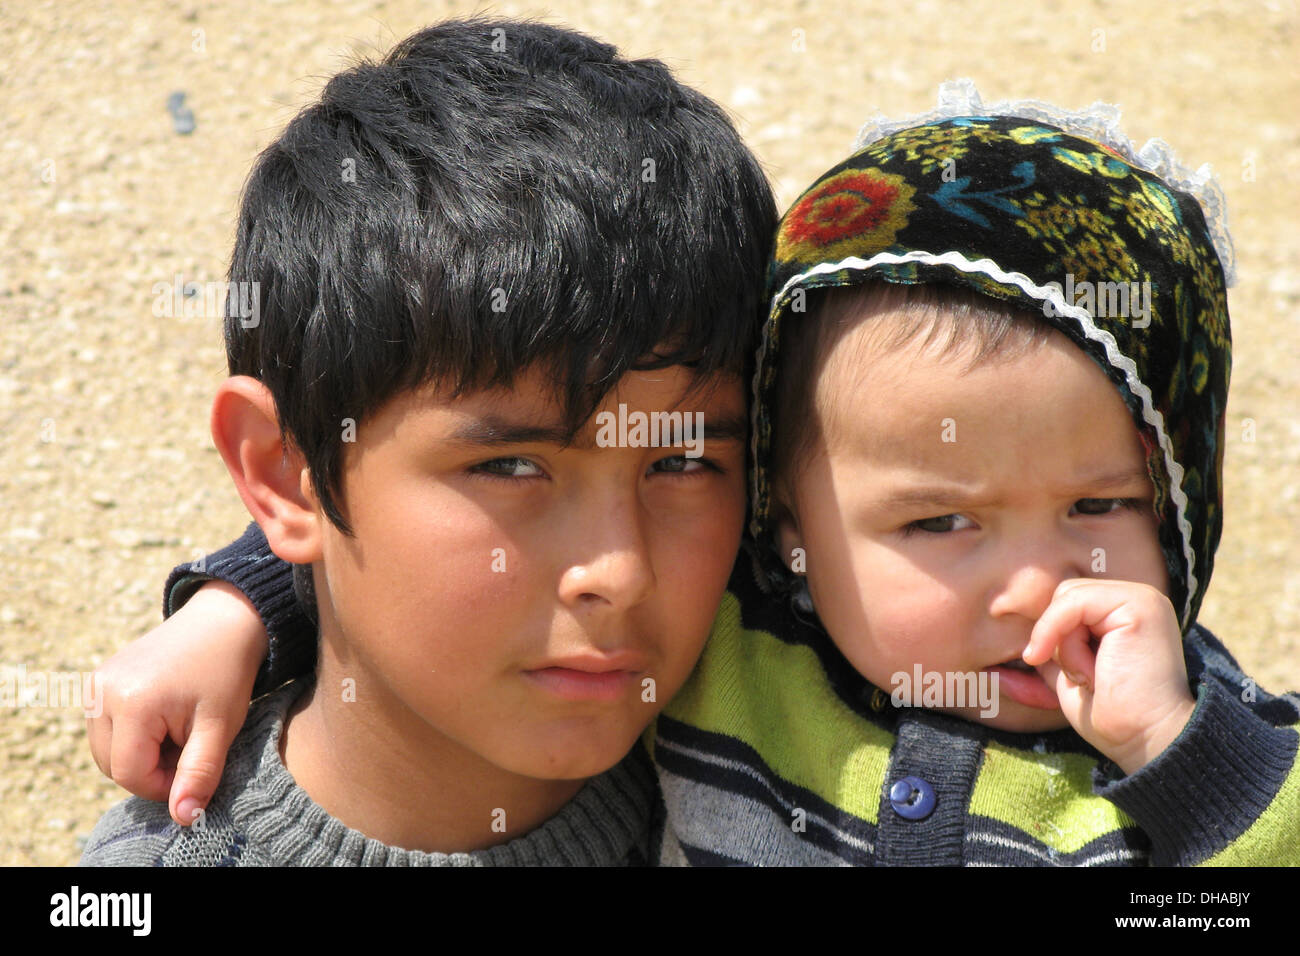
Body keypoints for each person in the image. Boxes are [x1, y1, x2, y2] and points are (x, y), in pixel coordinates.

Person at [87, 83, 1300, 866]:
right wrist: (243, 596)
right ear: (794, 530)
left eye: (1103, 506)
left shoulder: (1173, 721)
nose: (1036, 582)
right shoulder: (726, 639)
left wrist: (1179, 758)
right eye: (936, 519)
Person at [79, 16, 777, 866]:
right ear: (283, 474)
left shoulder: (795, 762)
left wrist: (244, 601)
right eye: (510, 465)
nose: (621, 575)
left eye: (680, 462)